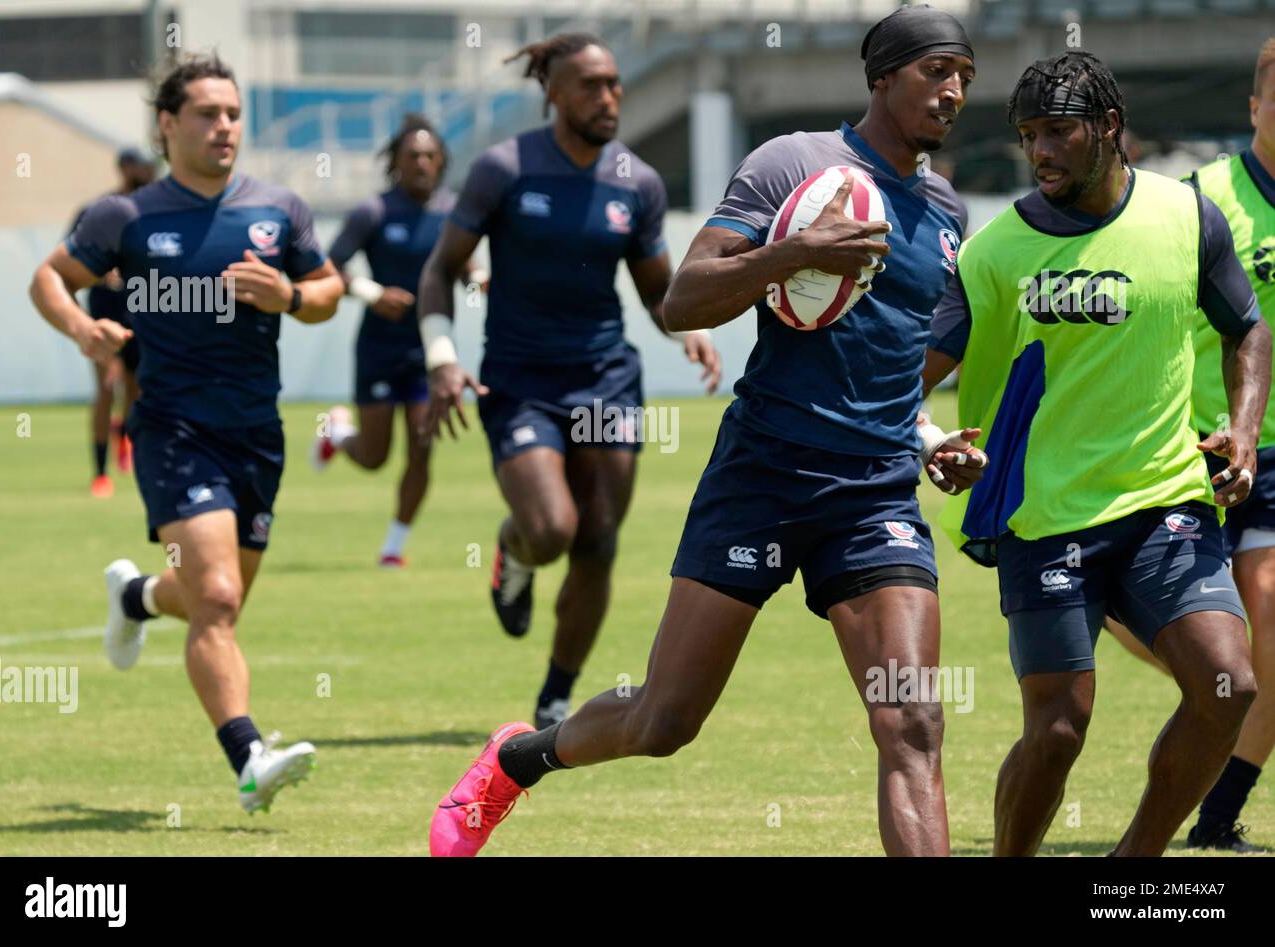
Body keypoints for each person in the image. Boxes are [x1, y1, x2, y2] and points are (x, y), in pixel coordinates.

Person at [428, 5, 984, 857]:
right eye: (934, 72)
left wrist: (926, 435)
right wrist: (792, 254)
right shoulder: (794, 164)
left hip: (874, 492)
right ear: (882, 76)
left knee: (912, 719)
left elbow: (893, 363)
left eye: (964, 78)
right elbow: (684, 296)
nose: (952, 92)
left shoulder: (946, 212)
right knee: (665, 719)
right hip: (763, 476)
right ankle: (518, 759)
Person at [924, 52, 1269, 856]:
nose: (1040, 151)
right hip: (1043, 518)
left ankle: (1133, 868)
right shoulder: (996, 252)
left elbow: (1246, 327)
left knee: (1231, 686)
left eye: (1059, 132)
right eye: (1028, 136)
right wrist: (939, 445)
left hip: (1165, 504)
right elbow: (913, 377)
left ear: (1109, 127)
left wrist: (1244, 430)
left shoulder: (1187, 218)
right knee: (1057, 730)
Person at [28, 54, 345, 814]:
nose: (224, 126)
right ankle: (250, 758)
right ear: (168, 125)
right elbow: (49, 276)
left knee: (212, 601)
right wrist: (81, 327)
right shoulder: (126, 217)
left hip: (256, 437)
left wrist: (291, 293)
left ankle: (136, 596)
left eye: (233, 113)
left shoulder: (280, 211)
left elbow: (330, 290)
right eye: (206, 113)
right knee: (219, 594)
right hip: (172, 429)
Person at [416, 32, 722, 730]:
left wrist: (690, 325)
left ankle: (556, 696)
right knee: (551, 527)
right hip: (521, 381)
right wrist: (439, 354)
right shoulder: (502, 169)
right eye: (590, 85)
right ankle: (514, 553)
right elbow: (439, 270)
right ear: (553, 92)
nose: (608, 96)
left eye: (614, 83)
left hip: (607, 378)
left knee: (598, 541)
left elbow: (656, 289)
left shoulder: (637, 181)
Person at [313, 114, 485, 568]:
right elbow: (327, 269)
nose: (422, 163)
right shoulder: (373, 212)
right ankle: (338, 435)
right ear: (396, 163)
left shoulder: (454, 211)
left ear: (442, 161)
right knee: (373, 457)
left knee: (421, 448)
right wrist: (372, 294)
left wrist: (481, 279)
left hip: (431, 351)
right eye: (413, 156)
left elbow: (464, 265)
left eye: (430, 155)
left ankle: (392, 548)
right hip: (379, 348)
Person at [1180, 36, 1275, 853]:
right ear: (1253, 107)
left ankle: (1215, 816)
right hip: (1212, 452)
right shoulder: (1203, 197)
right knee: (1241, 643)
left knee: (1272, 624)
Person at [69, 147, 156, 497]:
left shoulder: (157, 209)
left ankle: (129, 444)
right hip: (105, 310)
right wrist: (100, 273)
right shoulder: (98, 211)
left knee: (137, 388)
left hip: (143, 309)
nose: (147, 171)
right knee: (107, 385)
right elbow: (69, 265)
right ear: (125, 168)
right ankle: (100, 472)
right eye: (141, 166)